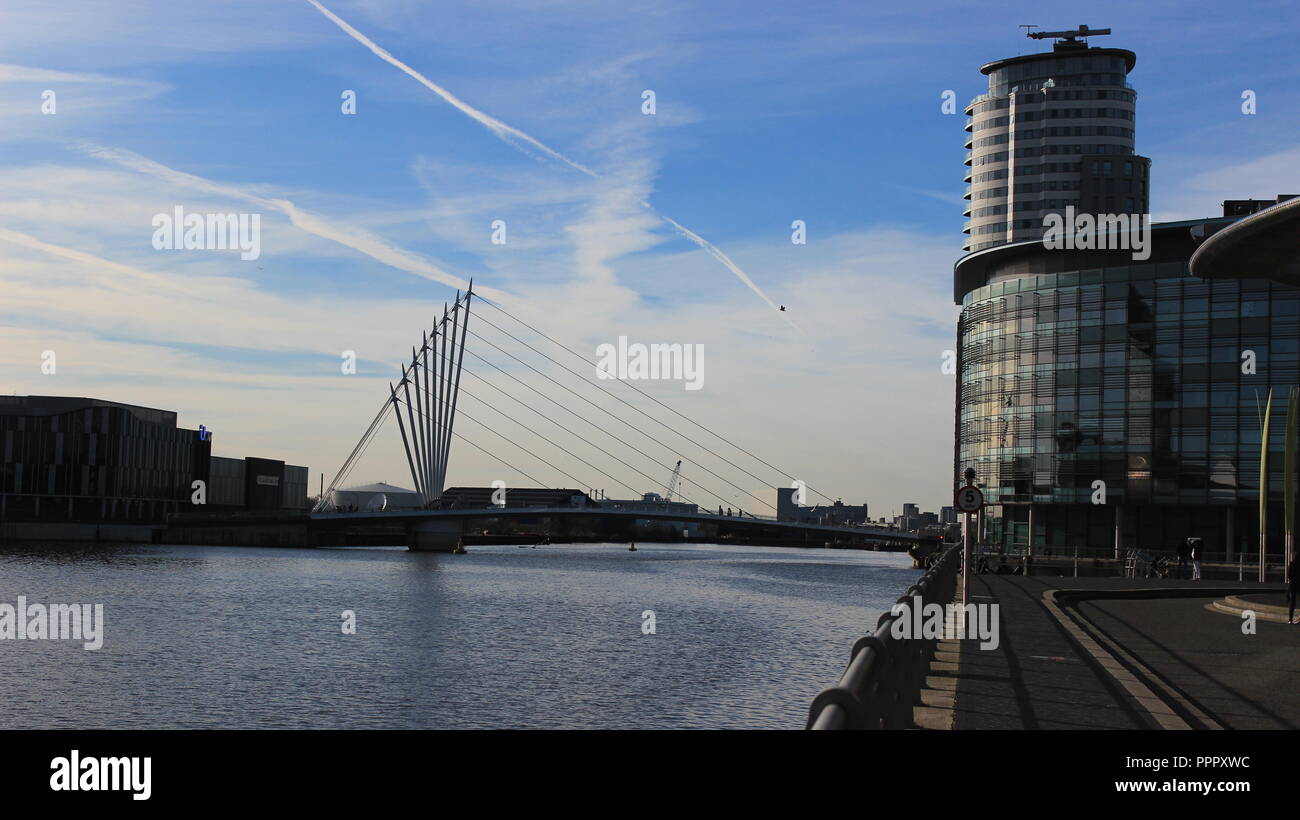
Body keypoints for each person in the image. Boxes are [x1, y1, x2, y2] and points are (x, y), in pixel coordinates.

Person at [1289, 552, 1299, 625]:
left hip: (1293, 584)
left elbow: (1288, 576)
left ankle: (1290, 619)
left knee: (1292, 602)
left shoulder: (1292, 564)